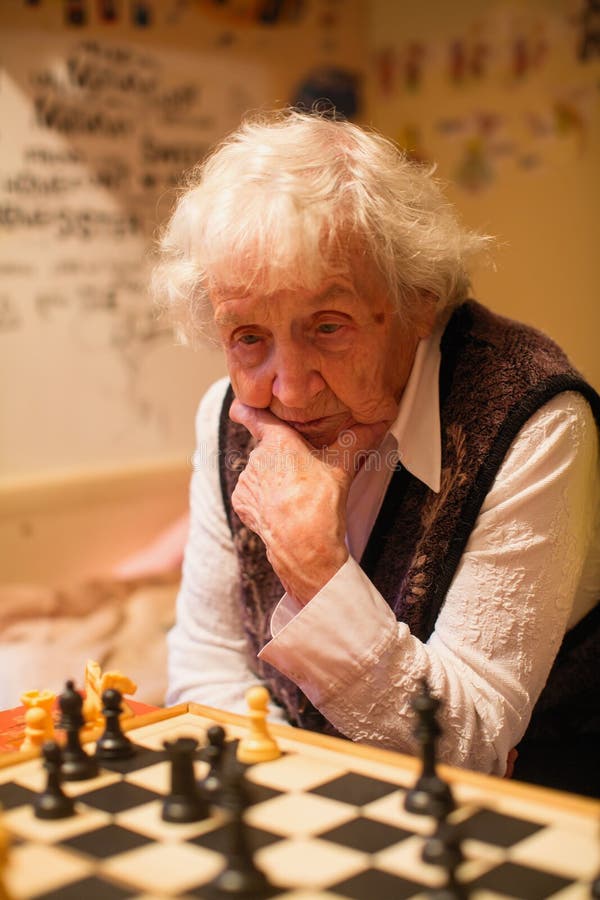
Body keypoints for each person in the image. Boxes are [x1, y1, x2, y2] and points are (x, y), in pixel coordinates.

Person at [152, 108, 600, 796]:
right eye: (248, 336)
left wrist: (317, 569)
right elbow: (208, 665)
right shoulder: (227, 416)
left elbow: (468, 746)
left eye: (328, 326)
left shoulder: (535, 419)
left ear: (418, 303)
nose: (290, 389)